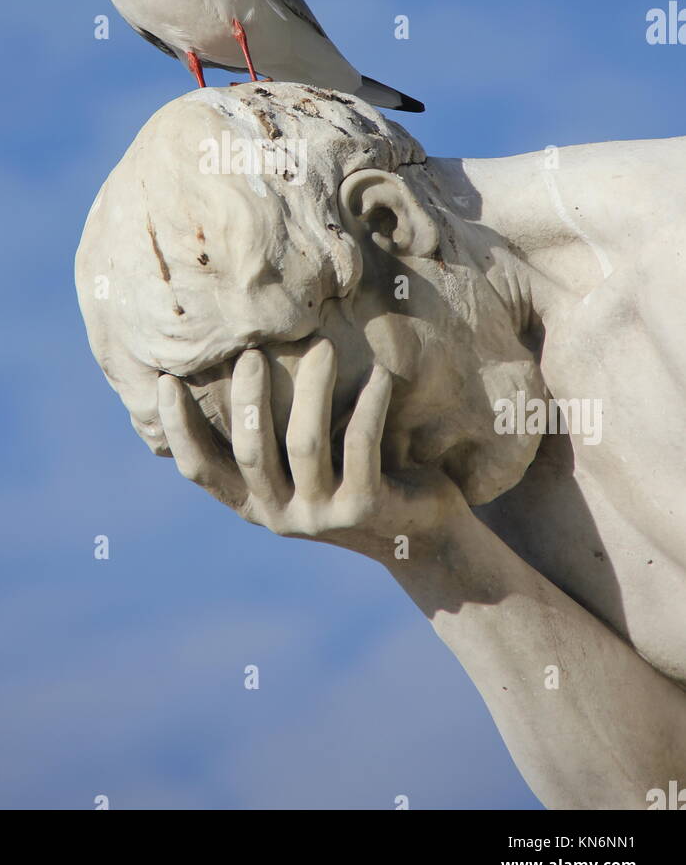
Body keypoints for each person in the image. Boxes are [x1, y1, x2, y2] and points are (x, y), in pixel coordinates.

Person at [76, 81, 686, 809]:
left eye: (350, 415)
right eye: (319, 456)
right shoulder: (470, 442)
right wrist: (435, 551)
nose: (368, 472)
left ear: (387, 222)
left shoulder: (666, 262)